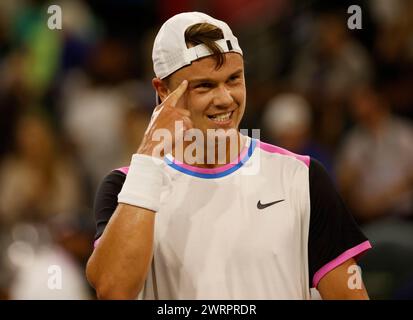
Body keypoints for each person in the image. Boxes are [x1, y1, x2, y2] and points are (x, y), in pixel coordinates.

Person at [86, 12, 371, 300]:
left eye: (234, 79)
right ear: (162, 91)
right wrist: (148, 157)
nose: (225, 98)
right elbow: (114, 290)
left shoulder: (302, 177)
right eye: (205, 86)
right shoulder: (126, 188)